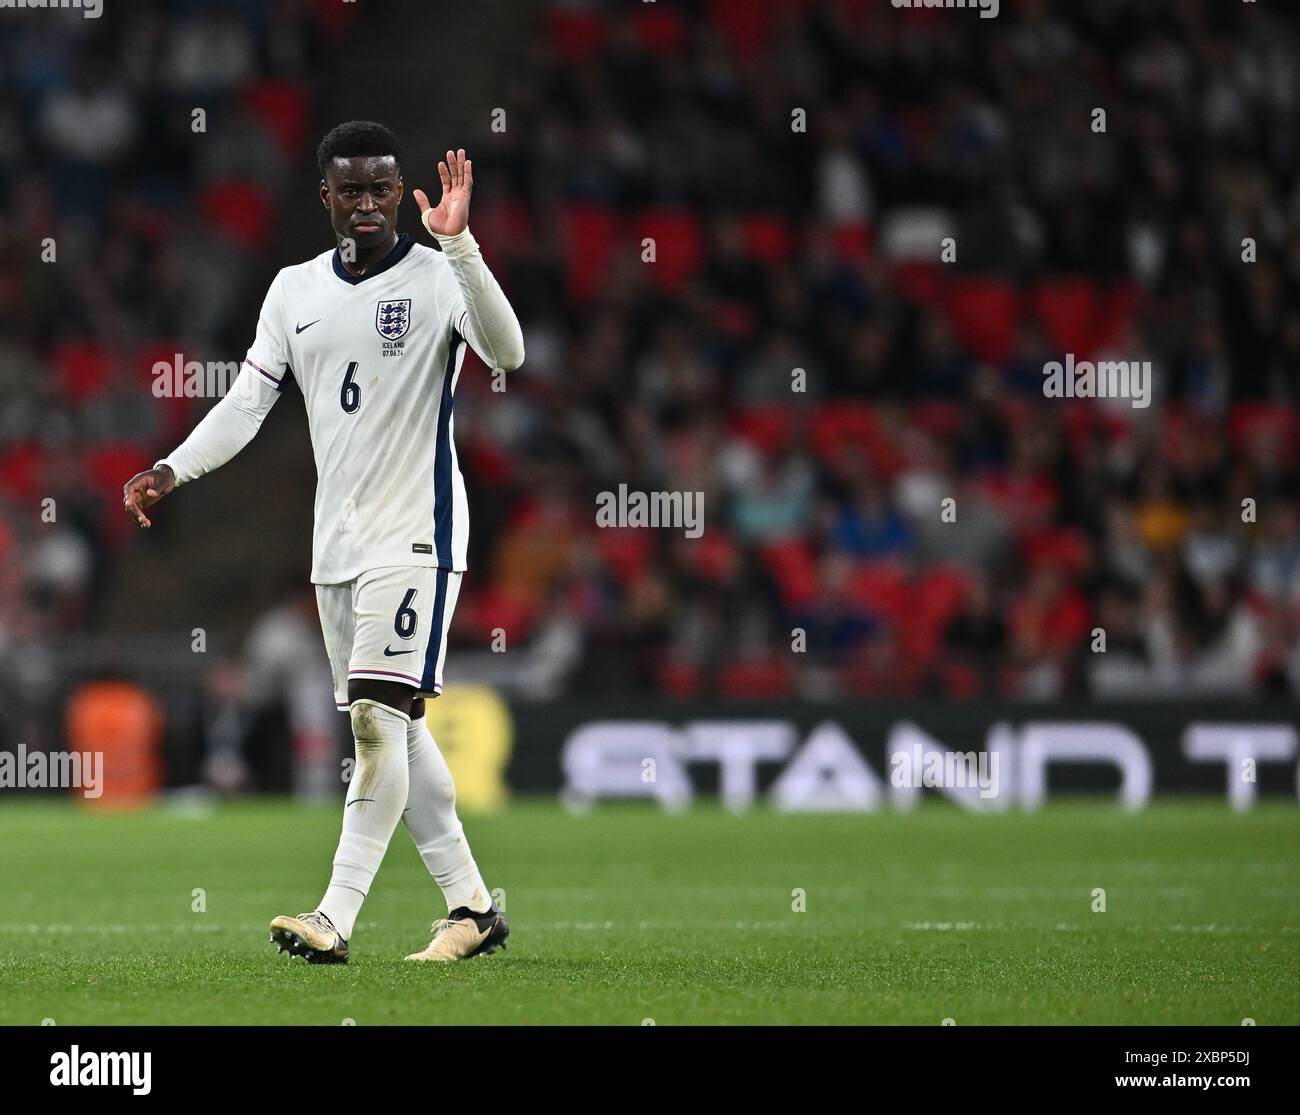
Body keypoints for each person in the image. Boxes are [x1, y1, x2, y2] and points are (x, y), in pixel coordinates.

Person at [122, 121, 524, 963]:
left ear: (399, 187)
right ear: (326, 195)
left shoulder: (436, 274)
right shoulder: (292, 291)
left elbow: (508, 352)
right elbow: (245, 405)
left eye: (384, 186)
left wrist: (464, 248)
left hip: (416, 531)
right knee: (399, 727)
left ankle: (334, 916)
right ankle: (474, 908)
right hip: (335, 545)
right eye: (354, 188)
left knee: (376, 720)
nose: (371, 202)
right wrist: (171, 466)